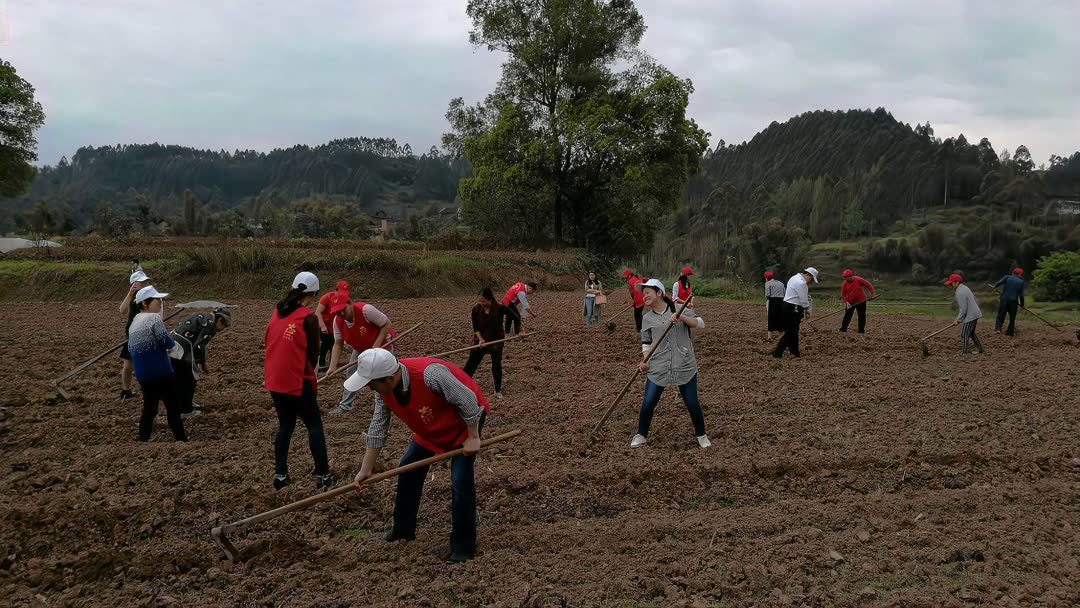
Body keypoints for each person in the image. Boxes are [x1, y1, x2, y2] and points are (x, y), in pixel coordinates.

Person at [348, 348, 489, 563]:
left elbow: (469, 400)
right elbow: (378, 427)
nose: (370, 388)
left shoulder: (431, 375)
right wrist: (366, 469)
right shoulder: (383, 391)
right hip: (430, 426)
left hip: (465, 420)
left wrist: (472, 437)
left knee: (460, 481)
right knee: (409, 469)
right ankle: (402, 531)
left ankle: (463, 547)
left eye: (371, 383)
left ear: (389, 377)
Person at [264, 271, 333, 491]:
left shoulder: (277, 312)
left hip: (275, 381)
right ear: (314, 293)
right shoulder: (308, 317)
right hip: (296, 381)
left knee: (286, 425)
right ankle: (323, 475)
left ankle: (281, 475)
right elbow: (314, 353)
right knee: (314, 425)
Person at [630, 279, 710, 449]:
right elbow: (646, 342)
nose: (644, 297)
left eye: (647, 293)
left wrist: (681, 317)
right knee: (648, 402)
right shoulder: (647, 318)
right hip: (658, 365)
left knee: (692, 402)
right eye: (643, 294)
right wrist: (645, 359)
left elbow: (700, 323)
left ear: (658, 293)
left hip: (684, 364)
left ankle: (701, 435)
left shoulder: (680, 309)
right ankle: (641, 434)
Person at [128, 285, 187, 442]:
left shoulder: (134, 322)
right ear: (145, 303)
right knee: (173, 406)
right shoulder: (154, 318)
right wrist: (171, 345)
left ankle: (143, 438)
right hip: (161, 371)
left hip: (143, 374)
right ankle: (181, 438)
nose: (160, 302)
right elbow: (166, 341)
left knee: (149, 408)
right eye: (157, 300)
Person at [326, 295, 396, 415]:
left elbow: (386, 324)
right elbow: (338, 344)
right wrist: (332, 367)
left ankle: (393, 403)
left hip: (382, 346)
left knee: (384, 375)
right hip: (361, 349)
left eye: (343, 309)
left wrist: (377, 345)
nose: (341, 313)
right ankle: (345, 406)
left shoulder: (366, 310)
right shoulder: (337, 322)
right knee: (351, 372)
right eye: (337, 312)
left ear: (350, 303)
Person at [170, 309, 232, 416]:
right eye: (224, 326)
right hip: (182, 350)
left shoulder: (203, 316)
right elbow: (199, 347)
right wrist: (202, 364)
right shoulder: (210, 326)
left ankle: (182, 404)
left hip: (172, 346)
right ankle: (186, 409)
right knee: (190, 378)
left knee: (179, 378)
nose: (221, 330)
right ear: (220, 320)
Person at [464, 287, 505, 399]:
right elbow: (475, 327)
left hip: (496, 340)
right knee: (471, 364)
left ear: (490, 298)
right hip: (480, 339)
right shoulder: (476, 309)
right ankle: (462, 386)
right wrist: (481, 339)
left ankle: (497, 390)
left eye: (483, 301)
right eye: (480, 300)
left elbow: (514, 315)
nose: (481, 303)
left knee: (496, 364)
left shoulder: (500, 308)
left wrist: (519, 330)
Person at [772, 267, 819, 358]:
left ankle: (794, 351)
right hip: (794, 308)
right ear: (808, 275)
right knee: (791, 332)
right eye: (811, 279)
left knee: (793, 331)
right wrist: (807, 310)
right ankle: (778, 352)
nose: (810, 281)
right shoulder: (801, 283)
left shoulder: (793, 278)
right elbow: (804, 300)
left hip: (786, 305)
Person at [119, 265, 150, 401]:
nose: (144, 284)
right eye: (141, 282)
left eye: (145, 282)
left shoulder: (150, 295)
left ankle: (148, 390)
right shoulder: (132, 297)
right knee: (128, 365)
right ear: (134, 284)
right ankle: (126, 391)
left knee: (144, 364)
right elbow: (122, 310)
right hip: (132, 333)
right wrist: (130, 294)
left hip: (146, 333)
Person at [314, 280, 350, 371]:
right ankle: (321, 363)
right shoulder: (327, 297)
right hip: (324, 324)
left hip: (333, 325)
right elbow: (317, 312)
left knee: (333, 344)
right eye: (340, 292)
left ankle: (331, 364)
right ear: (336, 289)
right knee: (326, 343)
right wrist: (322, 326)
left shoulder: (345, 299)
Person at [946, 273, 984, 354]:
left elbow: (963, 309)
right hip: (975, 313)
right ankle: (980, 349)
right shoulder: (965, 288)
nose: (950, 285)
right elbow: (973, 299)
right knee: (971, 333)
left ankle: (964, 352)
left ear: (956, 282)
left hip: (971, 315)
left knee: (964, 334)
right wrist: (959, 319)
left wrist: (958, 320)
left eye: (951, 283)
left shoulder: (960, 292)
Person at [839, 269, 877, 334]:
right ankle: (843, 329)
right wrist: (846, 302)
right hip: (850, 302)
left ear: (851, 276)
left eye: (846, 276)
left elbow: (868, 285)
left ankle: (861, 331)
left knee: (861, 315)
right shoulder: (845, 284)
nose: (845, 278)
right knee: (847, 315)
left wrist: (873, 294)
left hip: (861, 301)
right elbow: (843, 295)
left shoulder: (858, 279)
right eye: (844, 277)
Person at [992, 267, 1026, 336]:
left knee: (1000, 315)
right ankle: (1010, 332)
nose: (1021, 276)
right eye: (1021, 274)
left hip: (1004, 299)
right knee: (1012, 317)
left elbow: (999, 282)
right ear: (1019, 274)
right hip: (1013, 301)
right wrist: (1022, 304)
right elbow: (1021, 295)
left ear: (1013, 273)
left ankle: (997, 329)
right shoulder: (1021, 282)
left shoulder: (1007, 277)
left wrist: (995, 286)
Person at [764, 271, 785, 340]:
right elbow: (784, 293)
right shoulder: (781, 283)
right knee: (780, 317)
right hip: (781, 301)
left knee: (771, 317)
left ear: (766, 278)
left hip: (772, 301)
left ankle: (769, 336)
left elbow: (767, 294)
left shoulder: (767, 284)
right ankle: (781, 334)